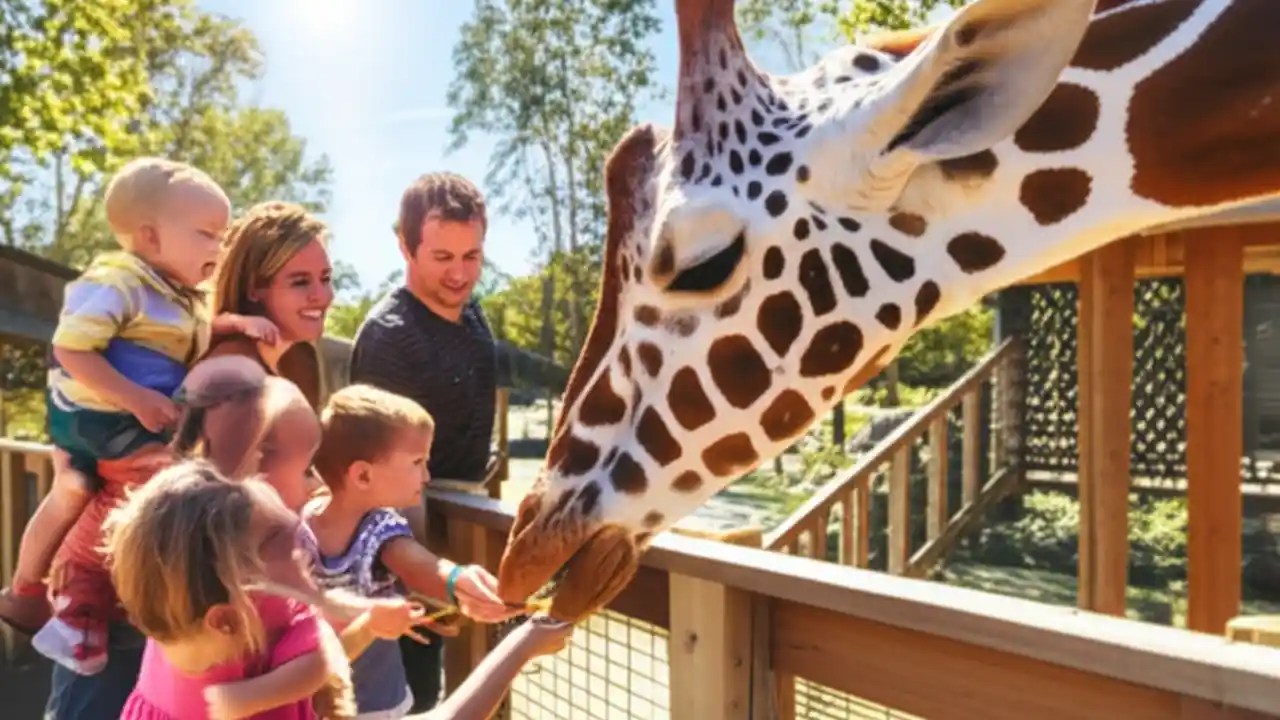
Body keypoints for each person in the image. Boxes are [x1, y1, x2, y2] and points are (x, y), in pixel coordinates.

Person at [0, 157, 267, 674]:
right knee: (92, 487)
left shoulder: (181, 294)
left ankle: (92, 608)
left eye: (223, 235)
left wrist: (238, 323)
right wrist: (134, 397)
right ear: (149, 236)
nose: (219, 247)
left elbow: (199, 328)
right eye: (207, 234)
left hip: (130, 417)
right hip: (92, 414)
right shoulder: (117, 281)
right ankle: (42, 593)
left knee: (147, 482)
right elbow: (72, 349)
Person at [350, 172, 498, 711]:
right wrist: (418, 579)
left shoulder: (473, 313)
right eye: (441, 257)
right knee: (417, 695)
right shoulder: (391, 337)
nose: (460, 274)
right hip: (406, 549)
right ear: (404, 245)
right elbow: (382, 478)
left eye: (472, 256)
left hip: (466, 530)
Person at [301, 384, 524, 718]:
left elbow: (417, 563)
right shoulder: (305, 524)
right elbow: (419, 565)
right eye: (417, 462)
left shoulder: (371, 526)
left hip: (350, 706)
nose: (427, 475)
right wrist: (457, 583)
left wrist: (457, 581)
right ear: (363, 474)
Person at [103, 460, 353, 719]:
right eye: (276, 541)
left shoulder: (186, 601)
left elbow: (320, 655)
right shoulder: (246, 599)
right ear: (224, 621)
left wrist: (256, 695)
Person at [207, 199, 337, 411]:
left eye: (325, 279)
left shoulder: (298, 361)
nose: (321, 296)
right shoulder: (236, 371)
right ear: (253, 288)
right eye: (300, 282)